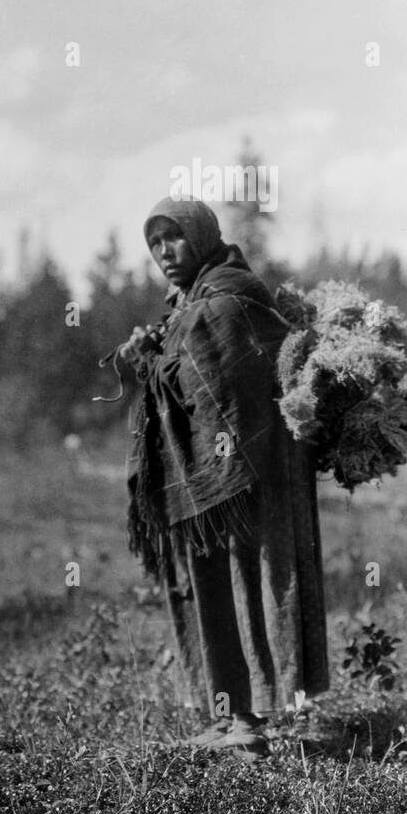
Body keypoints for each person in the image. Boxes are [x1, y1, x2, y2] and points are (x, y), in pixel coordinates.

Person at [117, 195, 328, 759]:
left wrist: (157, 362)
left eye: (175, 237)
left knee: (247, 584)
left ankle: (255, 720)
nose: (164, 250)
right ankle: (224, 713)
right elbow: (180, 381)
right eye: (154, 240)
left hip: (247, 478)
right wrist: (149, 357)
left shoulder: (232, 299)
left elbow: (224, 383)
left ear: (204, 237)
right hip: (201, 479)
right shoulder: (188, 305)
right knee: (203, 587)